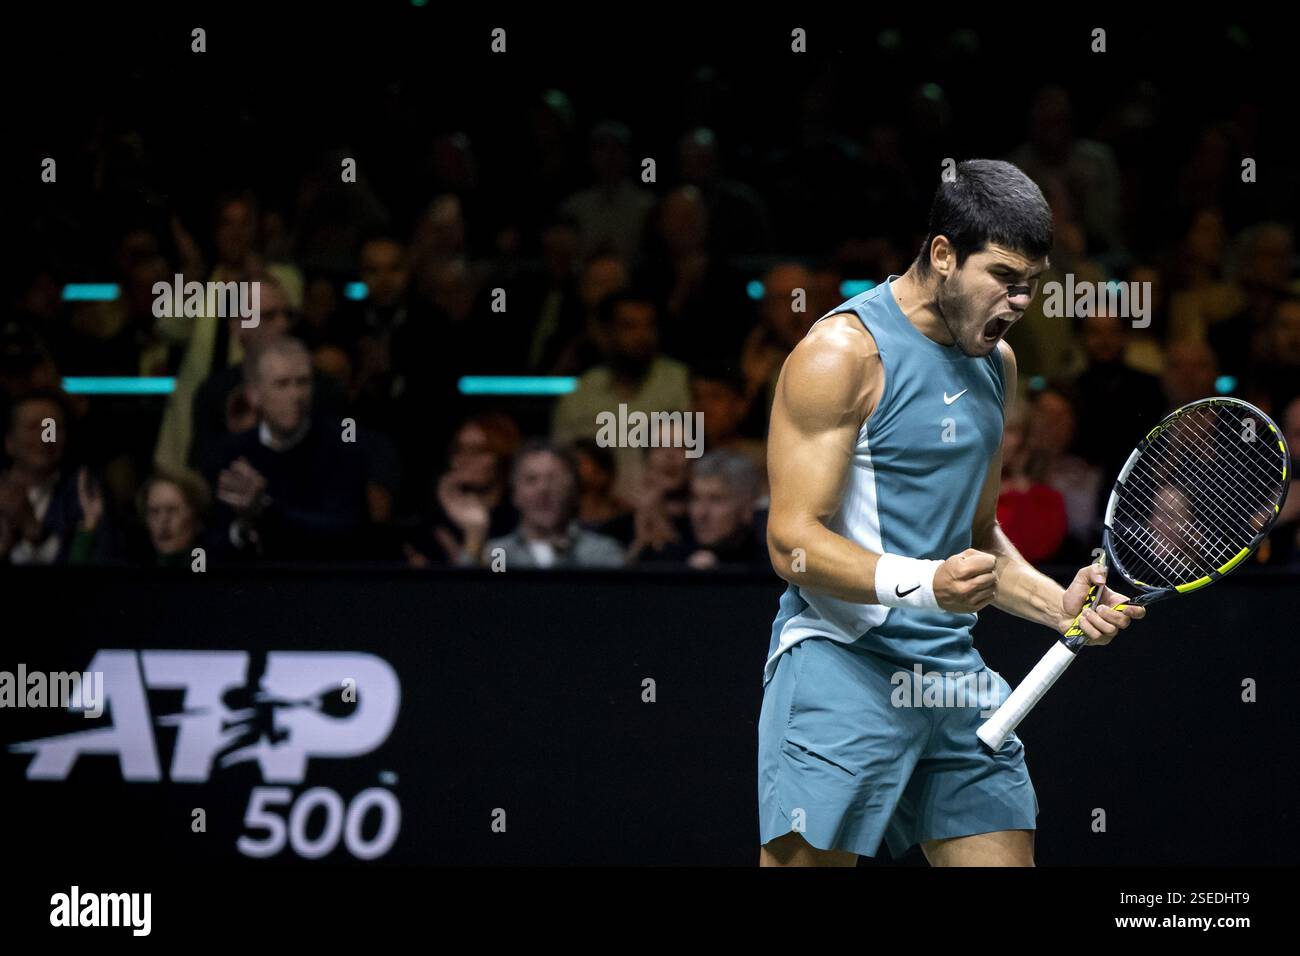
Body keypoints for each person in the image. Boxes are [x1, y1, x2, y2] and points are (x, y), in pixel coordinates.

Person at [758, 160, 1146, 868]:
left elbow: (975, 542)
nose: (1020, 299)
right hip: (840, 667)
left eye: (1031, 283)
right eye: (1002, 276)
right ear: (942, 255)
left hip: (952, 678)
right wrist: (923, 584)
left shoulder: (994, 364)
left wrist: (1058, 602)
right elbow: (792, 545)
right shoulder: (840, 356)